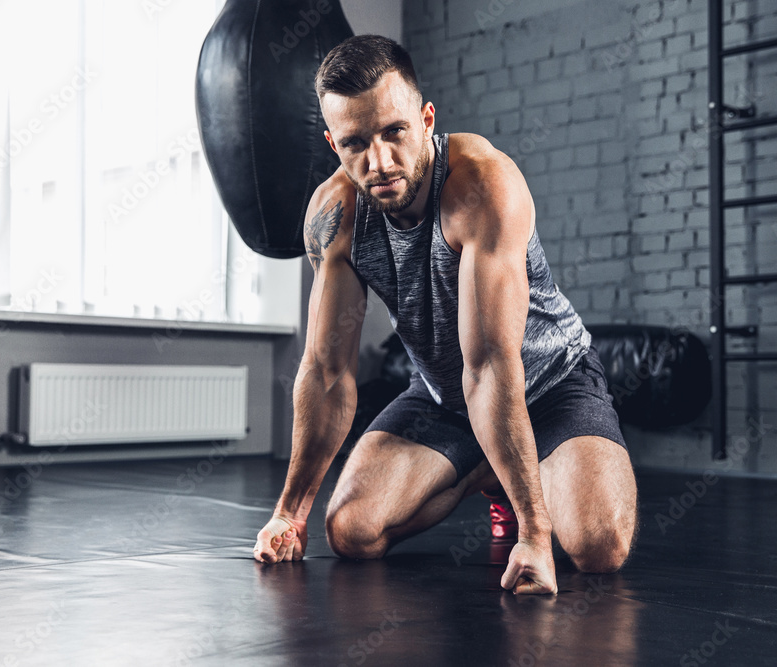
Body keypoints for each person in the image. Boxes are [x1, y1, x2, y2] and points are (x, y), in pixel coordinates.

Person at [253, 35, 638, 595]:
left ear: (427, 118)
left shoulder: (482, 186)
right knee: (351, 532)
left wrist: (533, 531)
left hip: (550, 384)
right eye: (355, 143)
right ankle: (487, 467)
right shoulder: (334, 217)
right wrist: (289, 514)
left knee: (598, 546)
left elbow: (490, 367)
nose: (379, 162)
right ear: (334, 143)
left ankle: (518, 483)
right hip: (443, 394)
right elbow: (326, 372)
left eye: (394, 132)